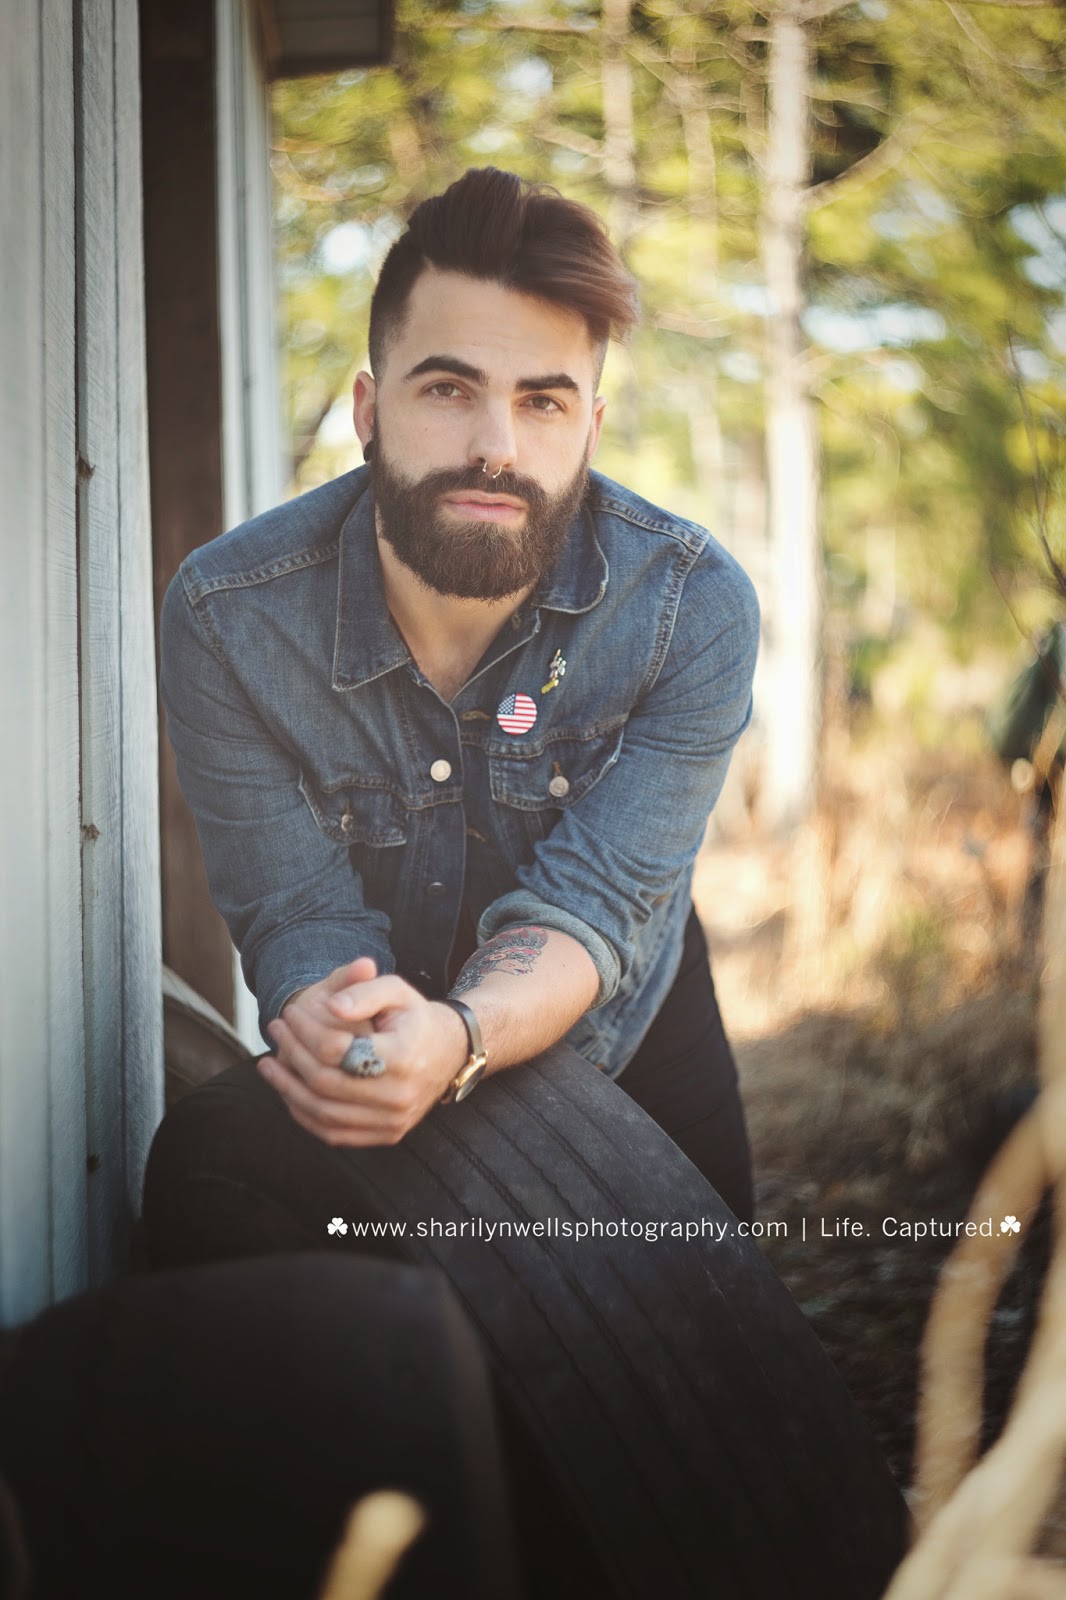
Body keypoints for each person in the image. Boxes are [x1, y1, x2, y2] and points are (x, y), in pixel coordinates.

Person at [157, 166, 760, 1223]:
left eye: (542, 400)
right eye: (447, 389)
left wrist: (462, 1036)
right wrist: (364, 1041)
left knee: (709, 1360)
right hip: (372, 1019)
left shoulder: (689, 611)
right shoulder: (228, 616)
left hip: (624, 1021)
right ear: (367, 408)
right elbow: (294, 910)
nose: (497, 443)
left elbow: (595, 907)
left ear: (590, 426)